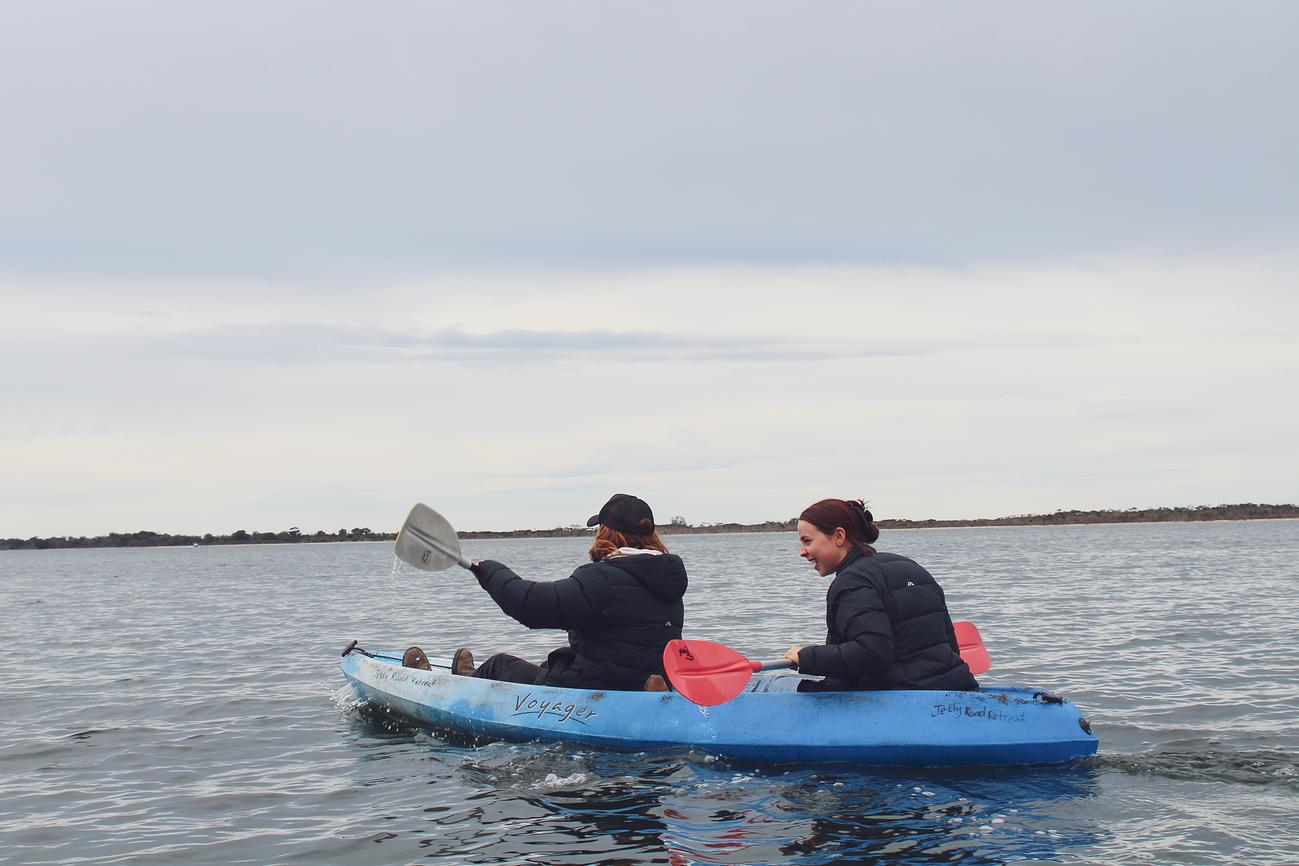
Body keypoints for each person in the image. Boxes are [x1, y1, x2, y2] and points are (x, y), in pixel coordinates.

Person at [449, 494, 688, 692]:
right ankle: (651, 691)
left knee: (499, 665)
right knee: (552, 663)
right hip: (646, 679)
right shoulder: (669, 579)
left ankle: (457, 689)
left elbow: (529, 605)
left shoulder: (602, 579)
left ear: (607, 532)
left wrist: (488, 571)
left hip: (597, 686)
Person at [757, 498, 977, 693]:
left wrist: (806, 657)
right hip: (954, 687)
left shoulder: (852, 582)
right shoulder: (911, 567)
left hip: (895, 697)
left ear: (839, 536)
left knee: (770, 687)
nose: (802, 551)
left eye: (807, 541)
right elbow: (950, 645)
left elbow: (872, 654)